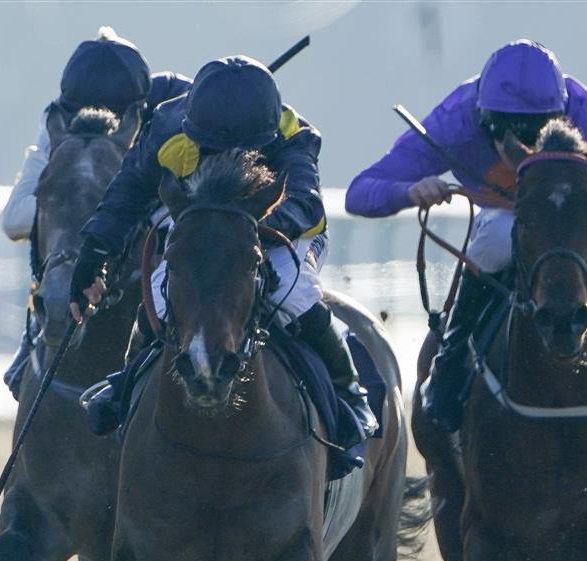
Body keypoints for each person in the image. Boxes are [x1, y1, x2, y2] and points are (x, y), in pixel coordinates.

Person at [346, 39, 587, 433]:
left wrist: (574, 223)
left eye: (536, 132)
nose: (520, 145)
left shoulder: (586, 116)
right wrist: (408, 191)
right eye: (508, 131)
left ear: (560, 119)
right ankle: (451, 364)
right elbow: (360, 192)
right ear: (483, 119)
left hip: (570, 220)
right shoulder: (455, 120)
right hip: (506, 217)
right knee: (492, 241)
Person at [69, 54, 378, 439]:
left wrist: (245, 225)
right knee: (162, 296)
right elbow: (126, 196)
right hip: (202, 230)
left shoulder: (295, 135)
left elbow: (306, 204)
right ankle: (127, 385)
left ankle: (348, 391)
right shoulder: (166, 127)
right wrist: (94, 253)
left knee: (292, 292)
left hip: (285, 233)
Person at [0, 27, 190, 398]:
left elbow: (190, 208)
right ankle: (34, 341)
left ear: (136, 112)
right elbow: (14, 220)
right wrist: (82, 203)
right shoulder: (57, 123)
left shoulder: (173, 115)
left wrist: (132, 209)